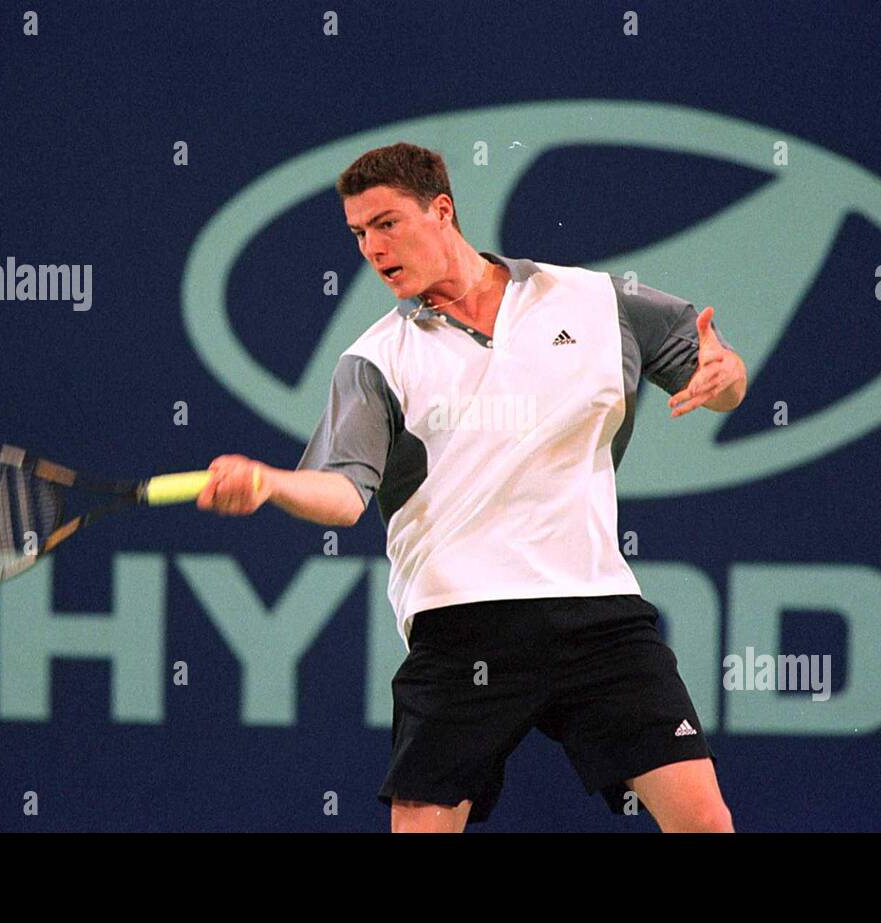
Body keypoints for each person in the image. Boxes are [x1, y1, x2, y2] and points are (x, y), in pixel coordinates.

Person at [197, 142, 746, 833]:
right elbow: (341, 495)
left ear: (443, 210)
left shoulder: (593, 299)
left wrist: (727, 378)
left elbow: (715, 370)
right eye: (359, 233)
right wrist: (271, 484)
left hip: (596, 609)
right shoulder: (375, 360)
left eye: (387, 224)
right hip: (462, 622)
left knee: (704, 820)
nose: (372, 247)